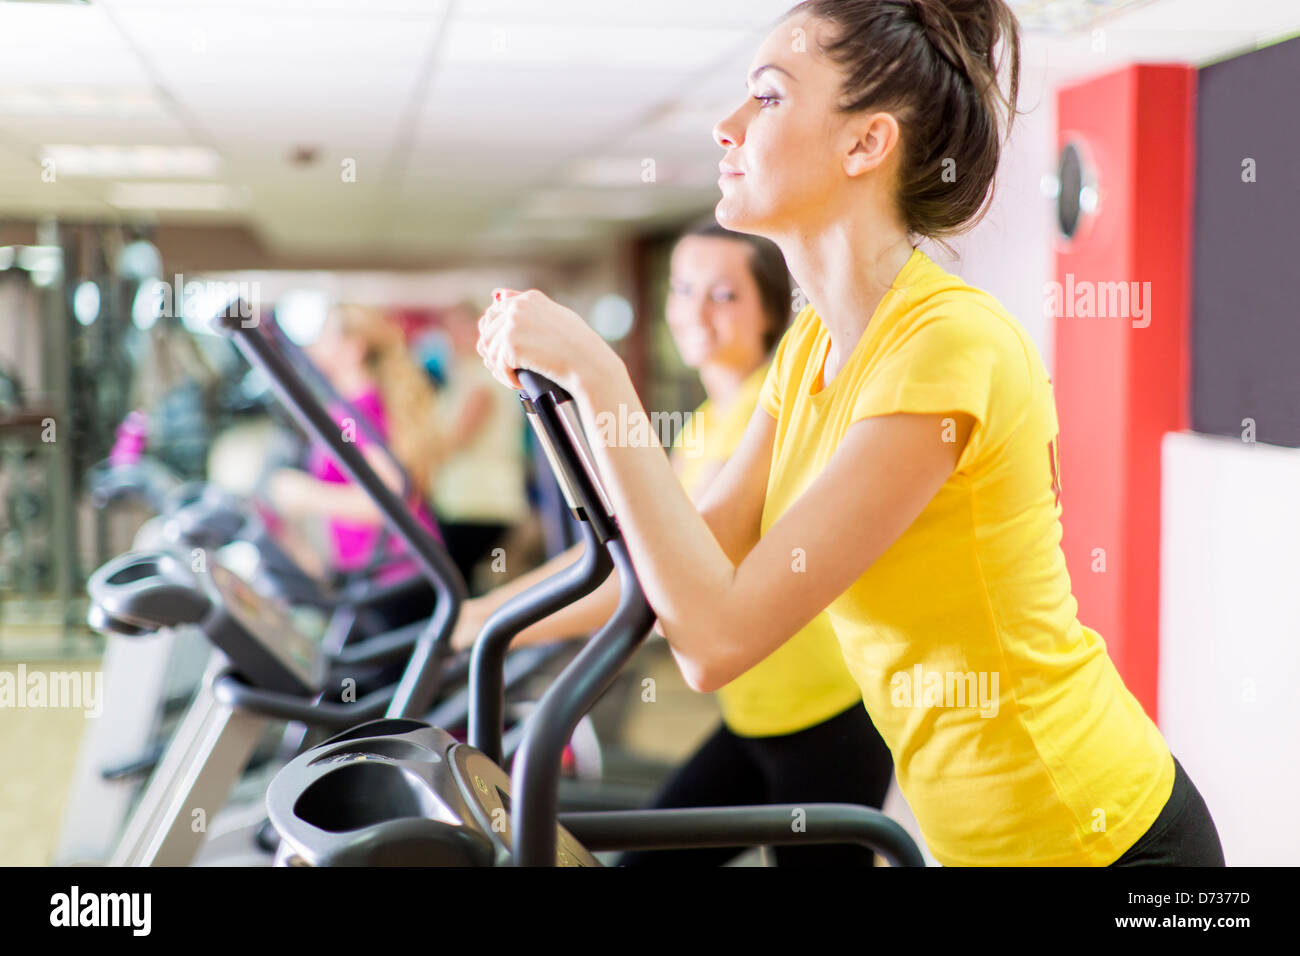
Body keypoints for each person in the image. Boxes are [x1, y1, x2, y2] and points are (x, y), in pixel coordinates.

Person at [476, 0, 1224, 866]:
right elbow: (691, 562)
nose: (726, 127)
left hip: (1105, 839)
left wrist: (601, 378)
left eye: (765, 98)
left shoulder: (946, 343)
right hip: (974, 842)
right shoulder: (808, 350)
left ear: (865, 143)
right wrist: (483, 617)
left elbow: (715, 641)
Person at [453, 218, 893, 866]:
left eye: (724, 295)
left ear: (770, 309)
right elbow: (629, 549)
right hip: (753, 722)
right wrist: (483, 616)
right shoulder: (705, 423)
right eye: (684, 289)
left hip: (823, 727)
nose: (696, 311)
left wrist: (495, 626)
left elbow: (656, 577)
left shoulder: (756, 420)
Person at [267, 303, 443, 584]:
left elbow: (390, 498)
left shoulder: (357, 412)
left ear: (352, 348)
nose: (313, 347)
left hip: (393, 572)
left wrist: (305, 494)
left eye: (324, 337)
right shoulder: (361, 404)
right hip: (391, 567)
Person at [428, 301, 530, 591]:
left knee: (460, 589)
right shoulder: (464, 376)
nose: (452, 338)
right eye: (449, 331)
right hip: (464, 504)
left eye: (460, 330)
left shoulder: (481, 380)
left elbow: (455, 439)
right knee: (465, 586)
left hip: (477, 505)